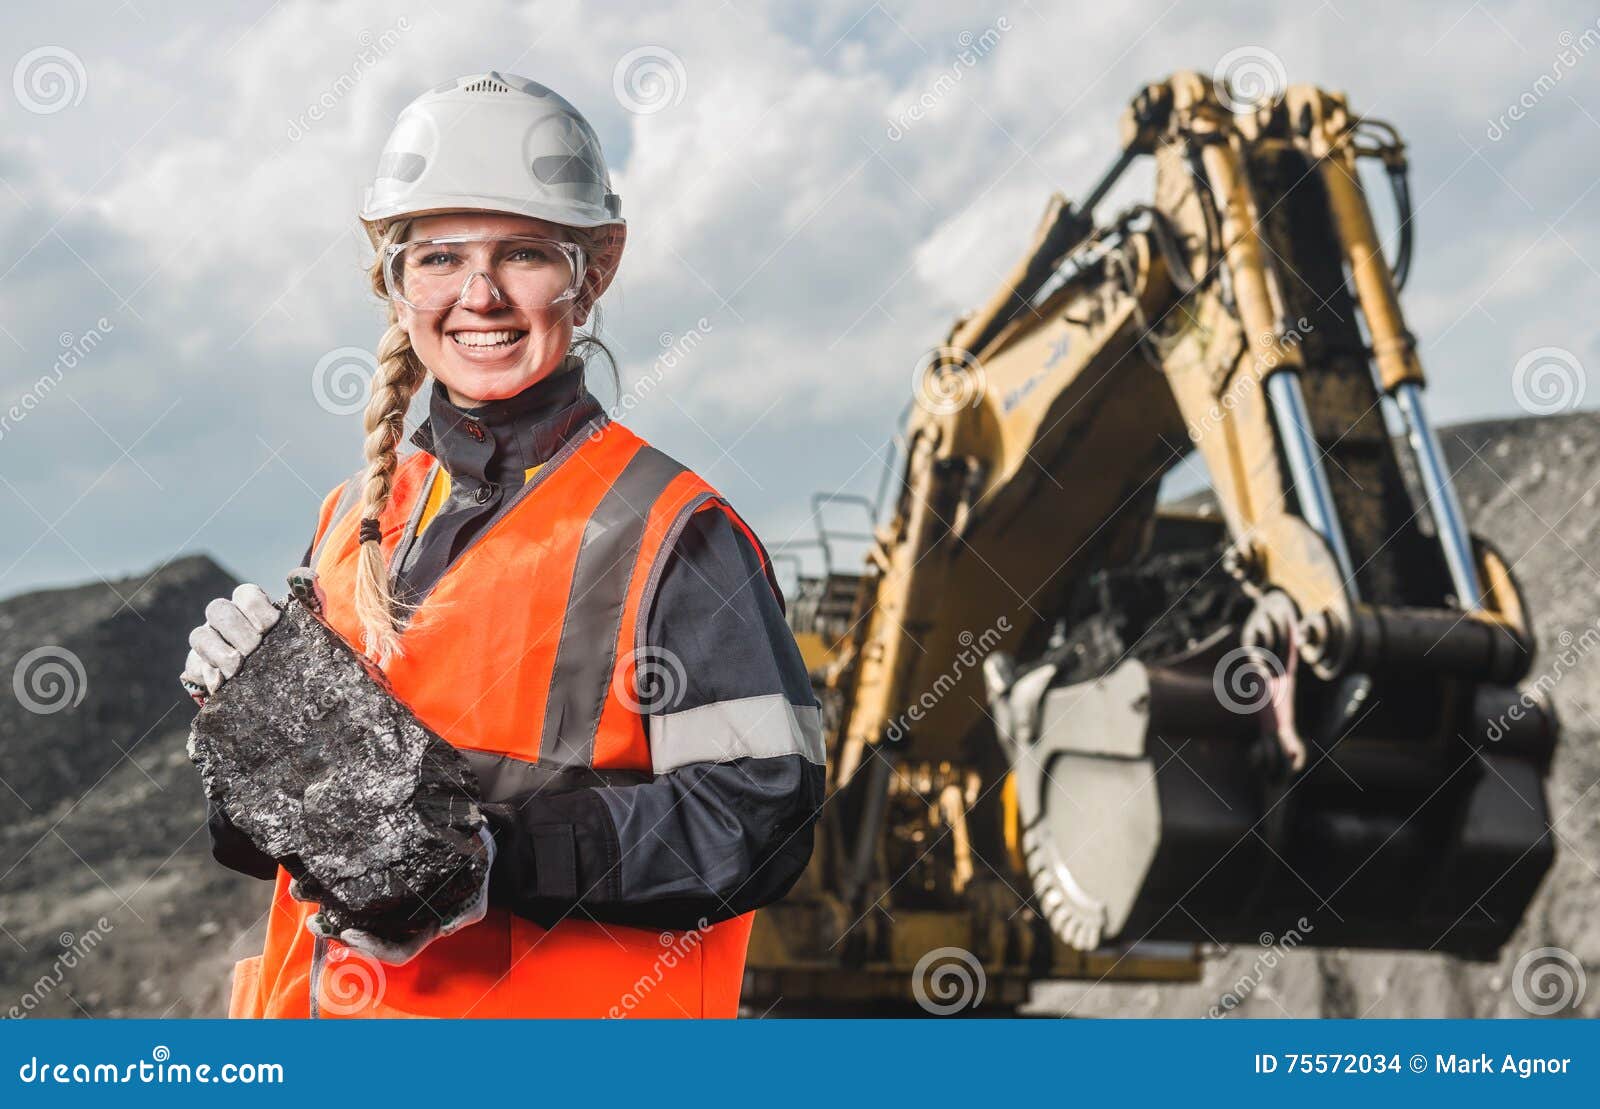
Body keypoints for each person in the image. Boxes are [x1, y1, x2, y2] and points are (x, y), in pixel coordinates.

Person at [182, 72, 824, 1019]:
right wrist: (242, 754)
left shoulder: (673, 533)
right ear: (396, 285)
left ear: (591, 273)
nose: (479, 295)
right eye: (440, 257)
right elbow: (280, 846)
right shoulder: (349, 520)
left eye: (523, 253)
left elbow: (759, 815)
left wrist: (489, 858)